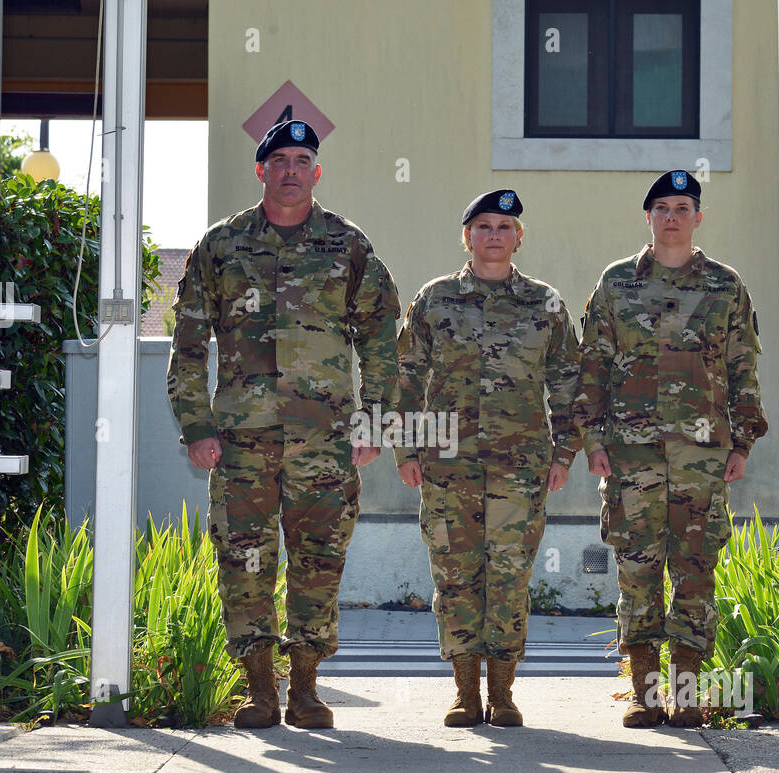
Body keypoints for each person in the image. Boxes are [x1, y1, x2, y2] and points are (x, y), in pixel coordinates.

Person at [167, 119, 399, 730]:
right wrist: (196, 427)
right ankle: (259, 691)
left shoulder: (347, 246)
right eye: (280, 160)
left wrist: (373, 422)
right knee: (244, 560)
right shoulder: (221, 247)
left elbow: (380, 339)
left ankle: (306, 688)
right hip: (241, 441)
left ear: (316, 172)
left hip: (325, 441)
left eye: (303, 159)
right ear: (261, 169)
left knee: (318, 561)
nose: (292, 169)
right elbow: (188, 344)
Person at [575, 170, 767, 728]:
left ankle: (684, 693)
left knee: (696, 570)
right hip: (632, 456)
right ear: (649, 218)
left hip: (704, 454)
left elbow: (743, 368)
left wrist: (744, 441)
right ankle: (644, 694)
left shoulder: (725, 286)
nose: (672, 217)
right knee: (637, 571)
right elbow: (593, 367)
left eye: (682, 207)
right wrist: (592, 440)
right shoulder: (616, 284)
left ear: (698, 217)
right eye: (662, 207)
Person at [395, 189, 580, 727]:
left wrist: (564, 452)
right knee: (455, 575)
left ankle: (503, 692)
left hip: (519, 465)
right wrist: (407, 448)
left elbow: (568, 382)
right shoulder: (434, 299)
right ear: (467, 237)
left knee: (509, 575)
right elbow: (406, 376)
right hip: (447, 462)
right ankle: (464, 691)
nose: (494, 234)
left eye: (504, 225)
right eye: (483, 226)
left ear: (519, 237)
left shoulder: (545, 303)